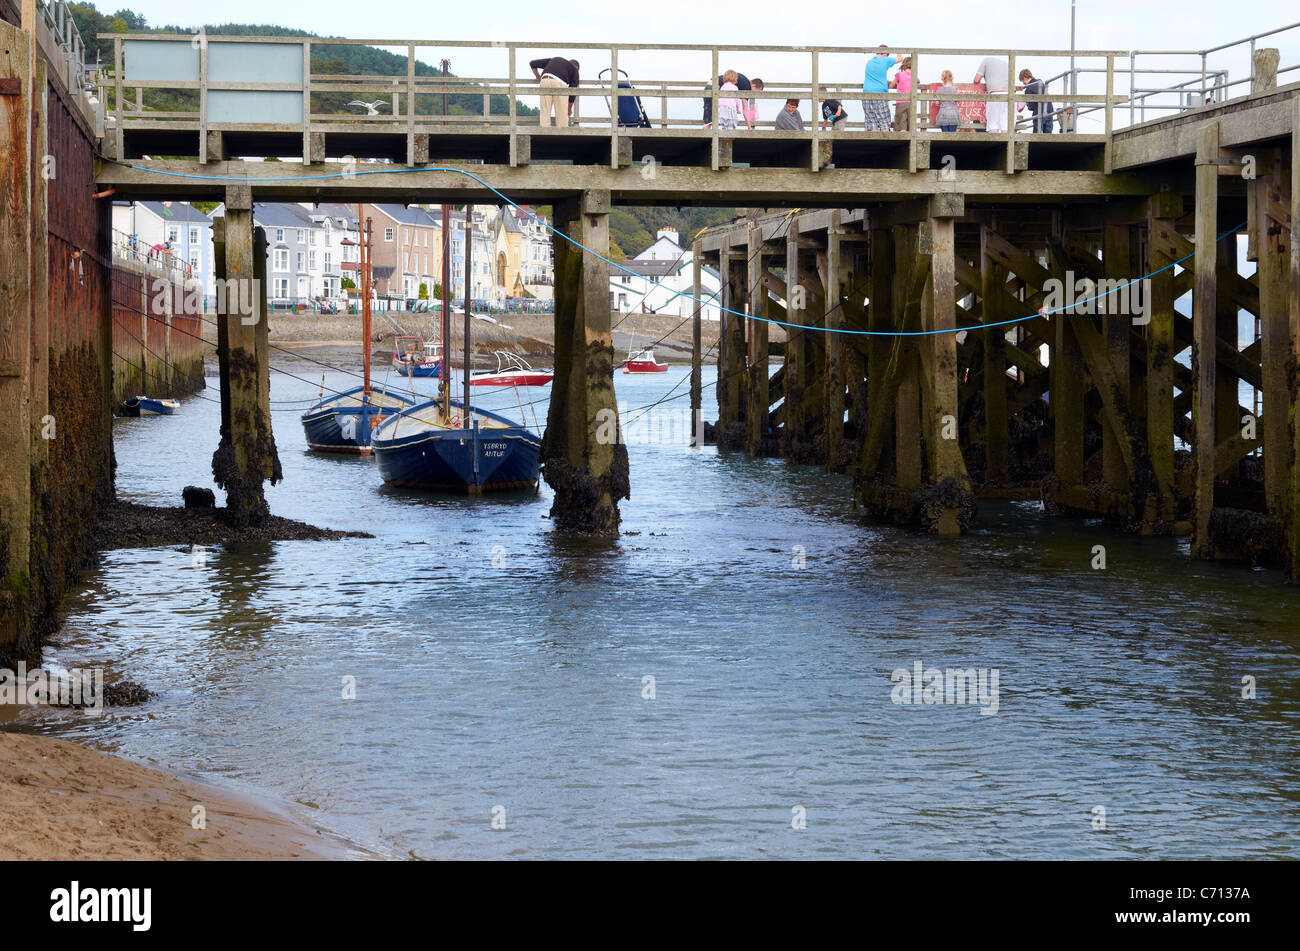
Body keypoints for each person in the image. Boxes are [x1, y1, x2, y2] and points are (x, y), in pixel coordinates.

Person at [530, 55, 580, 128]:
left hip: (544, 81)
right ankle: (562, 133)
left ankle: (544, 131)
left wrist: (539, 77)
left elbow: (532, 63)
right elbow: (572, 93)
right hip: (559, 82)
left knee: (545, 110)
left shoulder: (554, 59)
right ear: (577, 68)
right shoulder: (575, 70)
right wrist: (568, 110)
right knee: (562, 113)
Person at [862, 45, 897, 130]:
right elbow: (900, 58)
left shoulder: (869, 62)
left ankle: (874, 137)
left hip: (866, 91)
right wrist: (898, 51)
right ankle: (885, 137)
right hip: (880, 91)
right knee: (884, 117)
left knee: (871, 119)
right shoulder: (885, 60)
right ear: (885, 53)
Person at [974, 54, 1009, 132]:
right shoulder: (1006, 63)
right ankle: (1006, 143)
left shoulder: (986, 61)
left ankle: (995, 143)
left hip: (995, 94)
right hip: (1010, 96)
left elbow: (976, 80)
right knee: (1005, 125)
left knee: (993, 123)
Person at [1019, 68, 1052, 133]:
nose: (1023, 83)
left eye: (1022, 80)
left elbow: (1031, 107)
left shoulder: (1028, 89)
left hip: (1038, 112)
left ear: (1024, 78)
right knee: (1048, 136)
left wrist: (1027, 104)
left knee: (1036, 136)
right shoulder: (1041, 83)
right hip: (1050, 110)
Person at [890, 57, 913, 131]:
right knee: (909, 118)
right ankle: (909, 131)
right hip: (911, 101)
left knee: (901, 117)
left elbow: (891, 85)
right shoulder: (914, 75)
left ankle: (902, 131)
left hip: (901, 101)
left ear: (903, 65)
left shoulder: (899, 74)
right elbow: (918, 81)